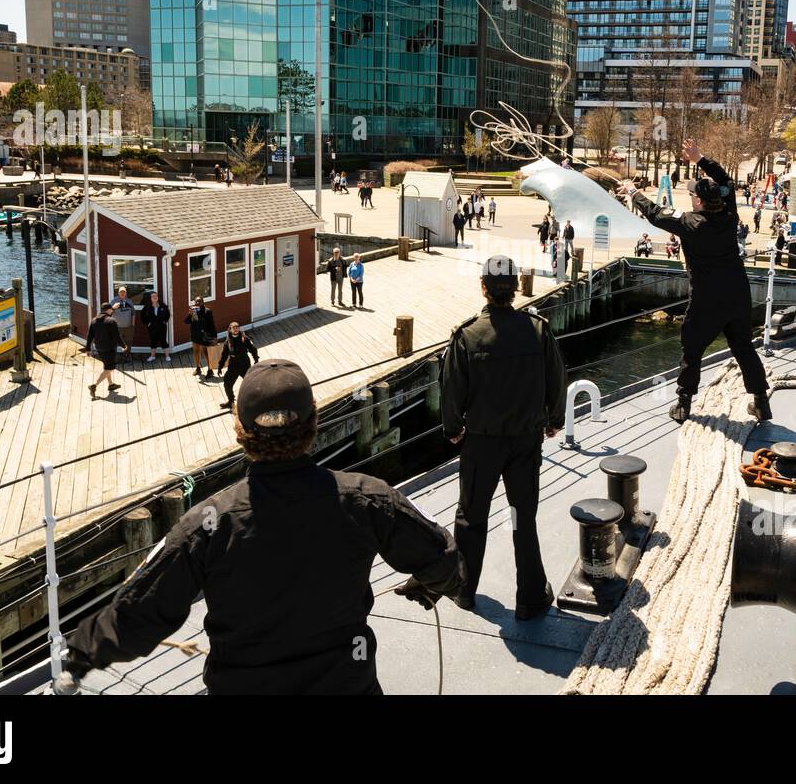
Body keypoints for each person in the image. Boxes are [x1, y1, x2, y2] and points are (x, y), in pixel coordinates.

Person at [63, 359, 466, 694]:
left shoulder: (208, 523)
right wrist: (428, 585)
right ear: (314, 424)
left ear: (241, 431)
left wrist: (79, 656)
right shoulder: (368, 499)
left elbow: (140, 615)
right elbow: (443, 560)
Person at [442, 256, 566, 619]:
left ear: (483, 287)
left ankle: (464, 589)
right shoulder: (538, 329)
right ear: (515, 287)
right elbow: (557, 379)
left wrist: (453, 429)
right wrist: (554, 419)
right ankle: (530, 597)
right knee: (521, 517)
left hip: (481, 442)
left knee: (471, 516)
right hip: (526, 440)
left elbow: (452, 389)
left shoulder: (467, 335)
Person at [623, 139, 771, 424]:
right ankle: (761, 402)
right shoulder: (729, 213)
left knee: (692, 349)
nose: (690, 197)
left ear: (699, 201)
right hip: (738, 293)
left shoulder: (690, 223)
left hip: (706, 299)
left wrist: (633, 192)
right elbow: (725, 180)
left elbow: (655, 214)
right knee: (743, 347)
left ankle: (683, 403)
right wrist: (700, 158)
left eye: (692, 195)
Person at [85, 302, 126, 399]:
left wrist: (87, 349)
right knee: (110, 368)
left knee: (106, 366)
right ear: (108, 310)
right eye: (111, 309)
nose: (112, 310)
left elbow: (89, 336)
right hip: (109, 348)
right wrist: (123, 345)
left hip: (99, 347)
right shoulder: (111, 321)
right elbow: (117, 336)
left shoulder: (94, 320)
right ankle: (94, 385)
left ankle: (111, 384)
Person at [217, 322, 260, 409]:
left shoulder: (244, 338)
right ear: (230, 329)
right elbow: (224, 355)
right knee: (227, 383)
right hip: (233, 365)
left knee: (251, 383)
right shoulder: (228, 341)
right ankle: (231, 401)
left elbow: (253, 349)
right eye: (234, 327)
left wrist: (256, 359)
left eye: (237, 327)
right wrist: (220, 367)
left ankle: (257, 400)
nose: (236, 329)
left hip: (244, 364)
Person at [187, 296, 217, 378]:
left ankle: (210, 370)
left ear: (203, 302)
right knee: (196, 351)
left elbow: (212, 324)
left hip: (204, 335)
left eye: (199, 301)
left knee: (206, 353)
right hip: (195, 335)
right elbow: (186, 322)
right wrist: (190, 314)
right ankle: (198, 368)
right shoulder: (193, 311)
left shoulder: (207, 311)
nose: (197, 303)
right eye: (196, 302)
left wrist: (214, 337)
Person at [141, 292, 171, 363]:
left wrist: (164, 321)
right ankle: (152, 356)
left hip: (162, 327)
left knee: (163, 340)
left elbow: (168, 314)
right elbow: (142, 316)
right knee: (153, 341)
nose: (154, 297)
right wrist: (148, 323)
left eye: (156, 296)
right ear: (150, 298)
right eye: (153, 296)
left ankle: (167, 356)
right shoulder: (147, 307)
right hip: (152, 327)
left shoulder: (162, 306)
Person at [110, 286, 137, 358]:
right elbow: (108, 312)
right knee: (114, 342)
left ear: (126, 293)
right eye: (120, 292)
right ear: (118, 293)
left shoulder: (129, 301)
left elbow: (133, 313)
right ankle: (113, 357)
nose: (122, 293)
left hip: (128, 327)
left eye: (124, 292)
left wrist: (133, 325)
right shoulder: (114, 301)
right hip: (117, 327)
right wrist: (113, 308)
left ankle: (126, 355)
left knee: (128, 342)